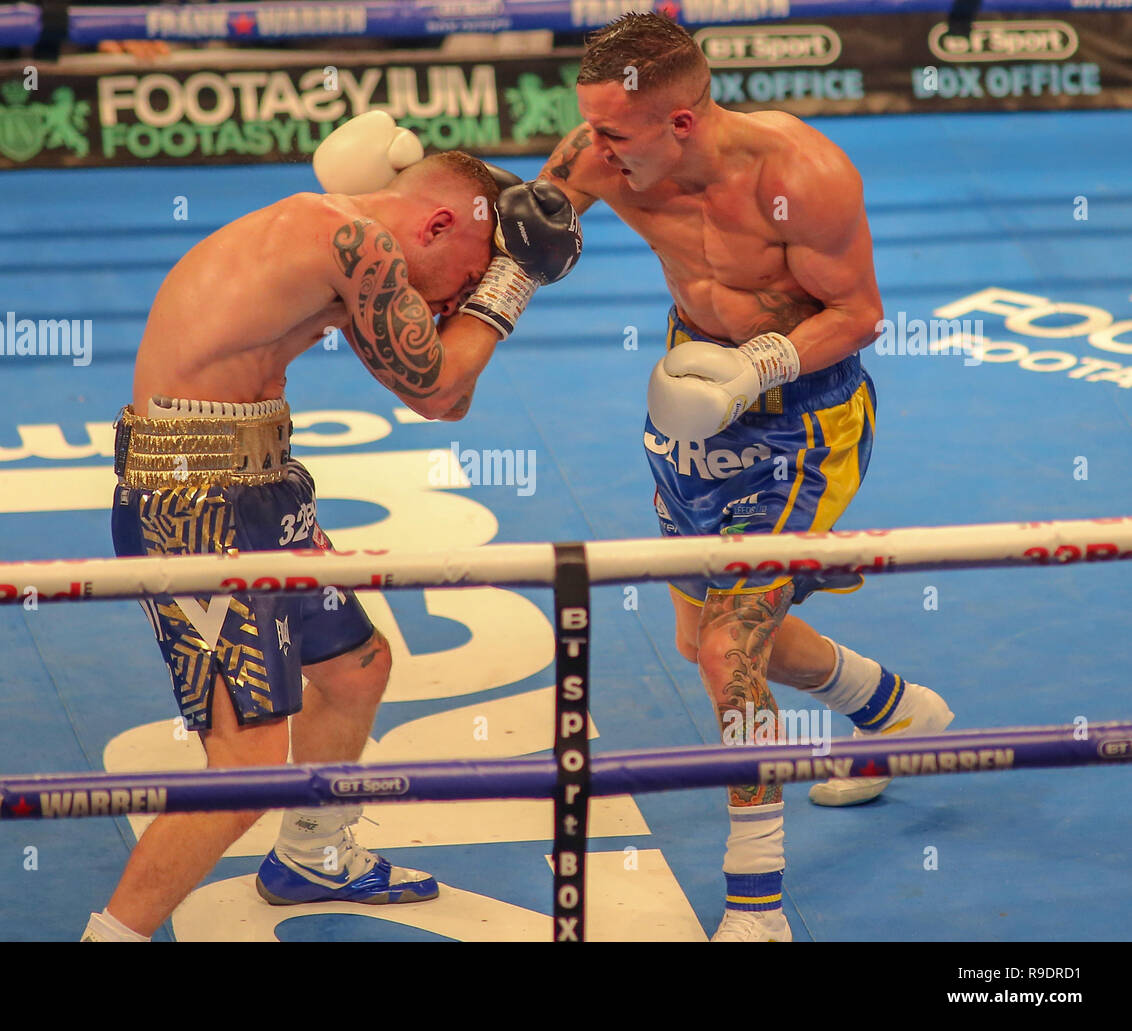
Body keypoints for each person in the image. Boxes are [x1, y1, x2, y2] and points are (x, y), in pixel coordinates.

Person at [82, 116, 581, 941]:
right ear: (437, 223)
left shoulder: (353, 251)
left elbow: (447, 393)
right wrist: (510, 286)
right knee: (243, 769)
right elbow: (434, 387)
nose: (457, 296)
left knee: (356, 667)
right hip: (190, 500)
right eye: (463, 274)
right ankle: (112, 936)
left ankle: (312, 853)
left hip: (261, 487)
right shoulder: (355, 248)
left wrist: (491, 286)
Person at [538, 13, 953, 941]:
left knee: (731, 648)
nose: (592, 152)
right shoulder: (602, 157)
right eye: (590, 128)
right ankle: (902, 714)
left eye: (613, 133)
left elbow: (858, 312)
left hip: (802, 422)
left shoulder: (800, 178)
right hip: (688, 405)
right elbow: (526, 236)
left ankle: (757, 903)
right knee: (703, 641)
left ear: (680, 123)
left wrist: (758, 365)